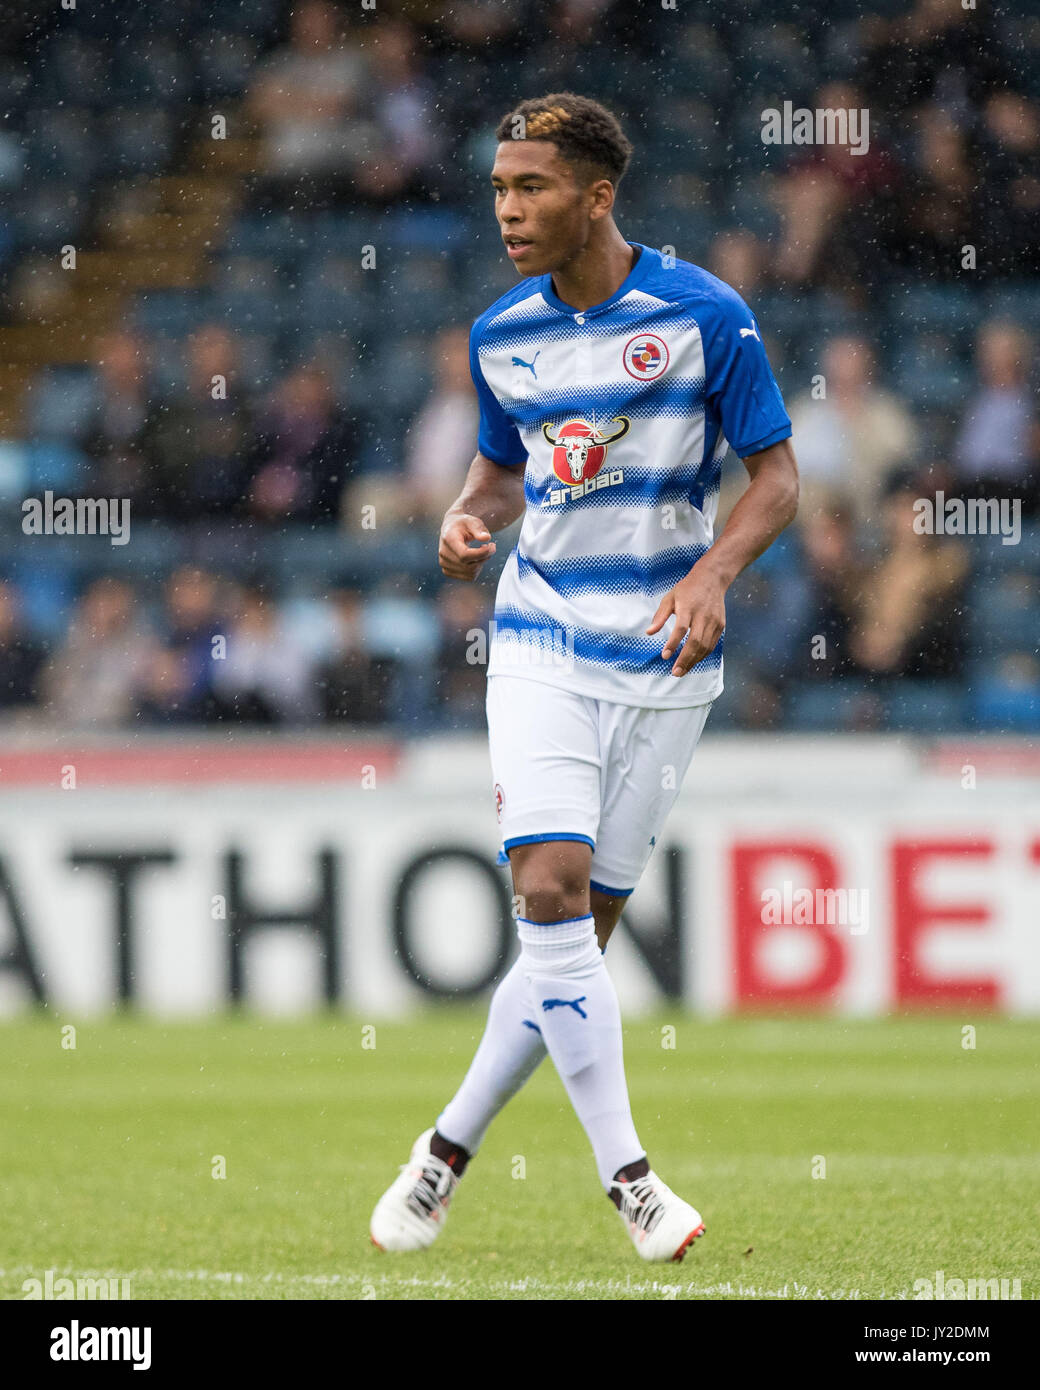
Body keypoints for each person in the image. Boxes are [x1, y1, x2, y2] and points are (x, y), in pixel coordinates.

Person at [369, 93, 799, 1262]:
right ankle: (633, 1182)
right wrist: (466, 516)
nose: (507, 209)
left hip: (663, 659)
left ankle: (441, 1153)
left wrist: (712, 574)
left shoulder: (705, 313)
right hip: (544, 638)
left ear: (595, 196)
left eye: (531, 188)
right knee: (550, 891)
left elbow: (775, 480)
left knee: (569, 946)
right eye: (500, 189)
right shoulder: (499, 332)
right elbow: (501, 474)